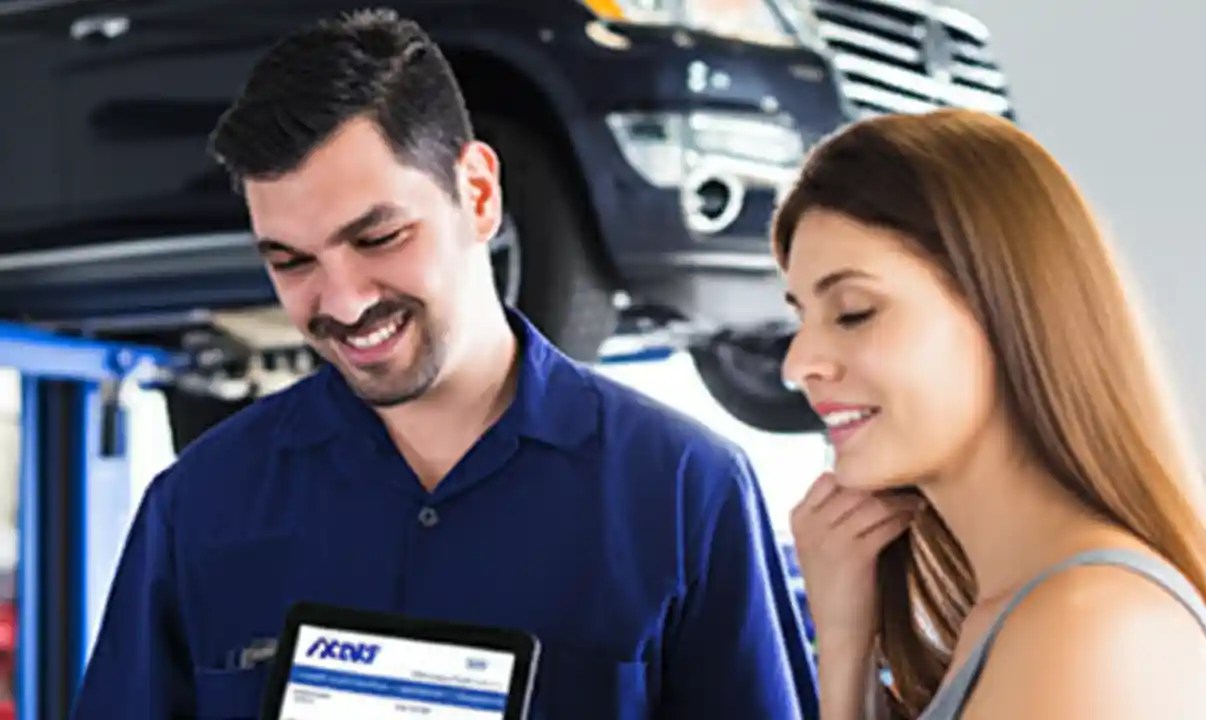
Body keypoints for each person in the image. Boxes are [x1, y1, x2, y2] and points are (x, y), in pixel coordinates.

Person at [71, 9, 818, 719]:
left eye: (379, 238)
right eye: (292, 260)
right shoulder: (200, 510)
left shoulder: (686, 492)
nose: (344, 300)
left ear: (480, 194)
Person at [777, 109, 1206, 719]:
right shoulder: (1017, 615)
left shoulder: (1092, 626)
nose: (798, 364)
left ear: (1005, 312)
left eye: (854, 312)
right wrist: (845, 645)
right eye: (799, 318)